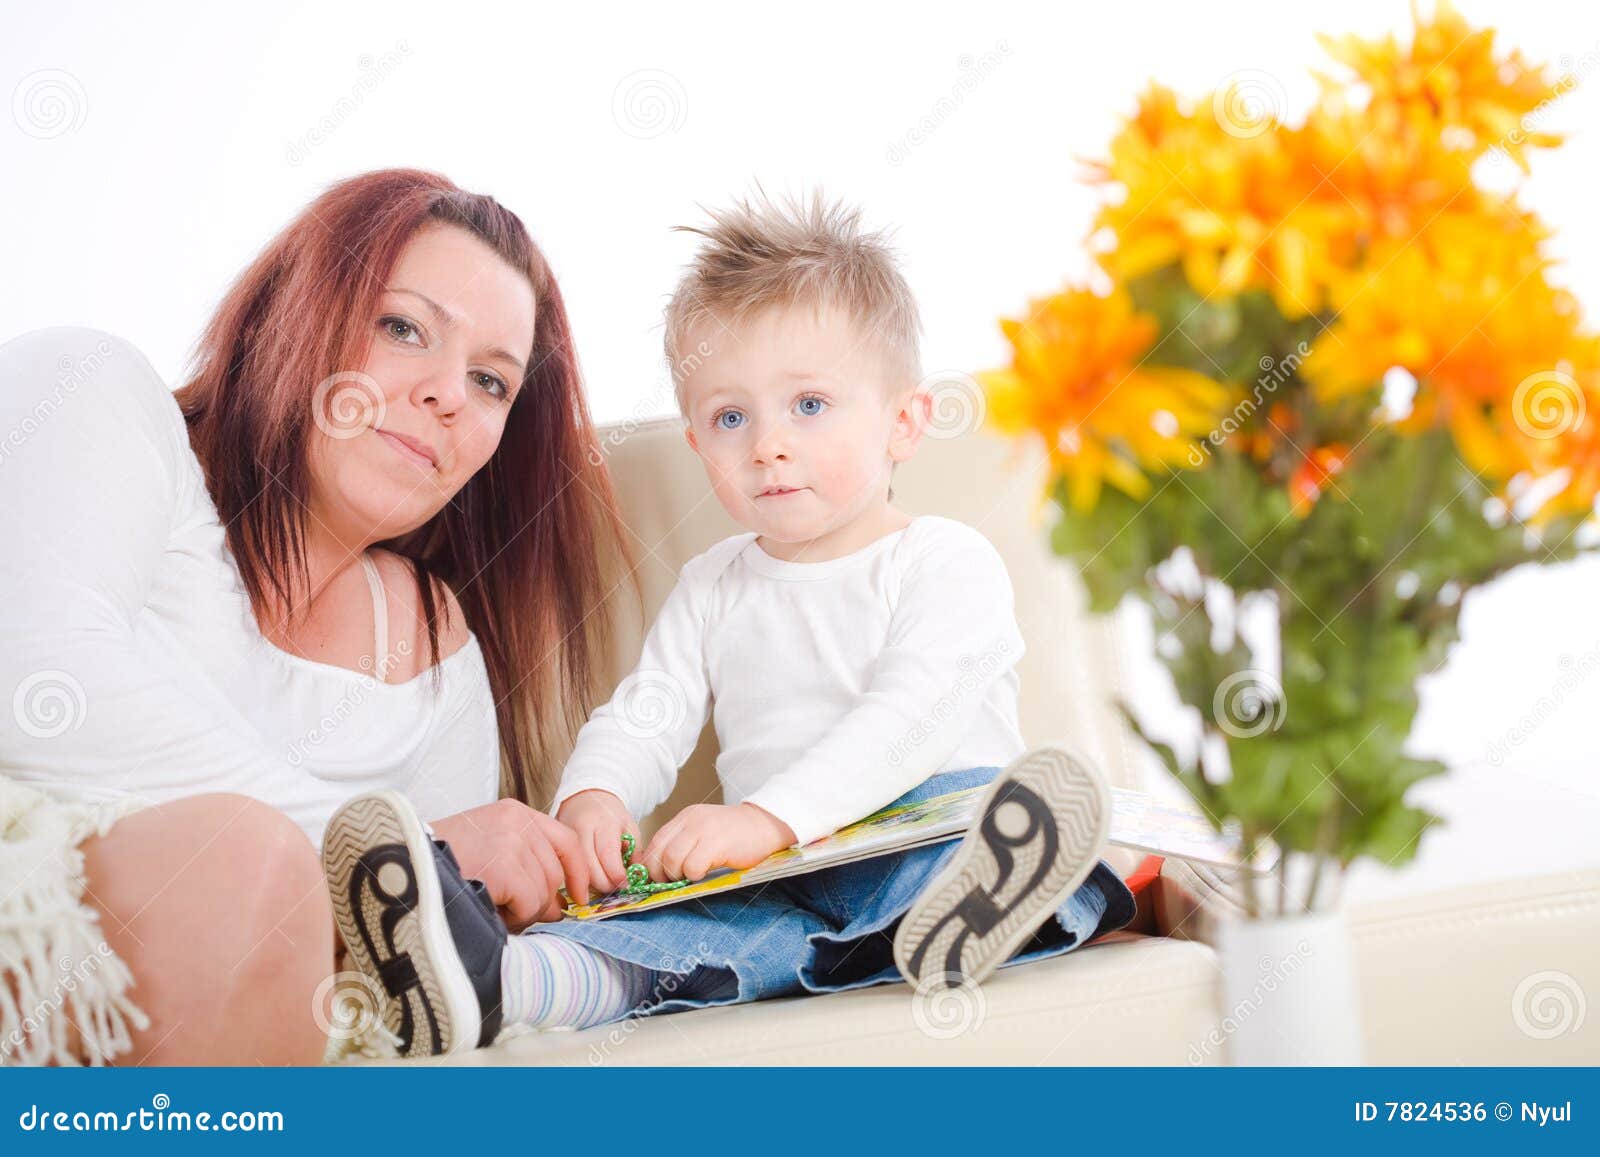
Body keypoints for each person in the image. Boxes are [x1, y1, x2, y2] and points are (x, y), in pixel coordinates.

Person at [323, 191, 1147, 1059]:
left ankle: (978, 912)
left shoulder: (946, 559)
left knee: (990, 836)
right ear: (696, 443)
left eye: (811, 406)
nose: (768, 446)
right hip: (786, 879)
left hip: (929, 830)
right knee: (709, 945)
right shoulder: (714, 583)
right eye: (730, 418)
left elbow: (912, 718)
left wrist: (765, 814)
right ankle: (500, 981)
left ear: (905, 422)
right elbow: (651, 707)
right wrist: (593, 799)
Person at [0, 169, 622, 1065]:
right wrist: (392, 853)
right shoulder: (92, 389)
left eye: (491, 381)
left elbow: (432, 956)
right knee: (243, 864)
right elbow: (32, 673)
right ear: (295, 310)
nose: (449, 392)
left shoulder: (438, 650)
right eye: (403, 327)